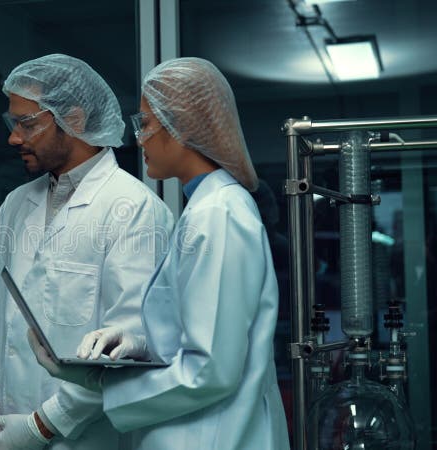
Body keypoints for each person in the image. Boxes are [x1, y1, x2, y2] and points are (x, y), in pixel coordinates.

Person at [28, 57, 290, 450]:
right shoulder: (203, 210)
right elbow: (203, 334)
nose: (139, 138)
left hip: (215, 436)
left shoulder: (218, 214)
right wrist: (139, 343)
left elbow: (210, 371)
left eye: (146, 123)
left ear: (182, 127)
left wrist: (106, 389)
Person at [0, 54, 174, 450]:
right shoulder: (16, 204)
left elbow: (127, 348)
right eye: (13, 124)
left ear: (74, 120)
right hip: (5, 428)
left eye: (27, 124)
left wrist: (41, 427)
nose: (13, 138)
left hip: (86, 438)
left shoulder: (132, 209)